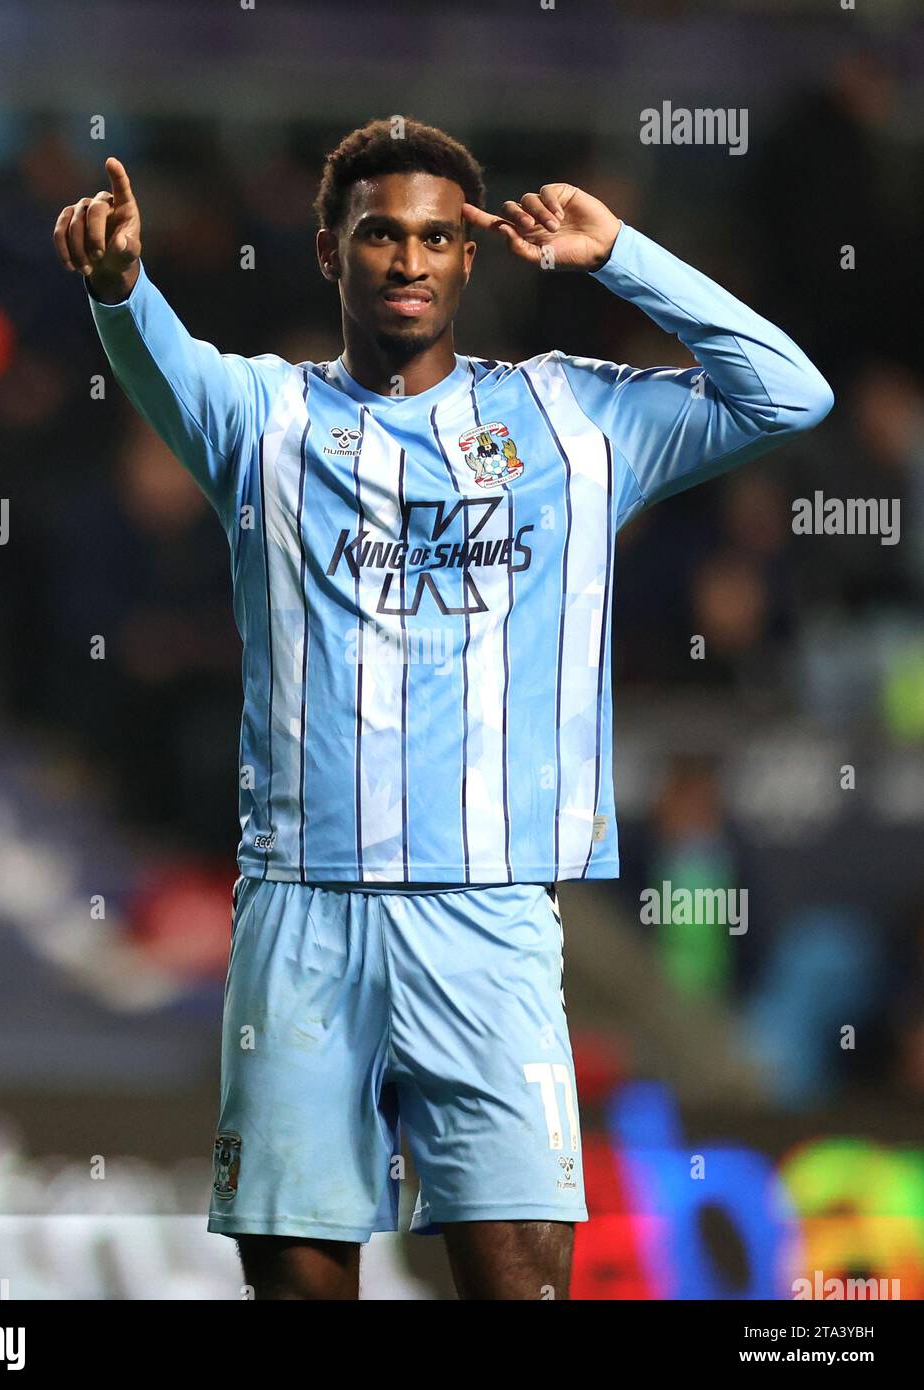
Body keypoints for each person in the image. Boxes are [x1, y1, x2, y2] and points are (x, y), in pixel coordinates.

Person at [54, 117, 834, 1299]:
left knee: (520, 1287)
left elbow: (788, 396)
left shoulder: (575, 421)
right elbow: (163, 355)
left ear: (472, 257)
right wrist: (120, 289)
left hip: (490, 920)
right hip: (302, 920)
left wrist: (621, 250)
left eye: (434, 236)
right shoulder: (260, 422)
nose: (408, 259)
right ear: (329, 254)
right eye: (379, 235)